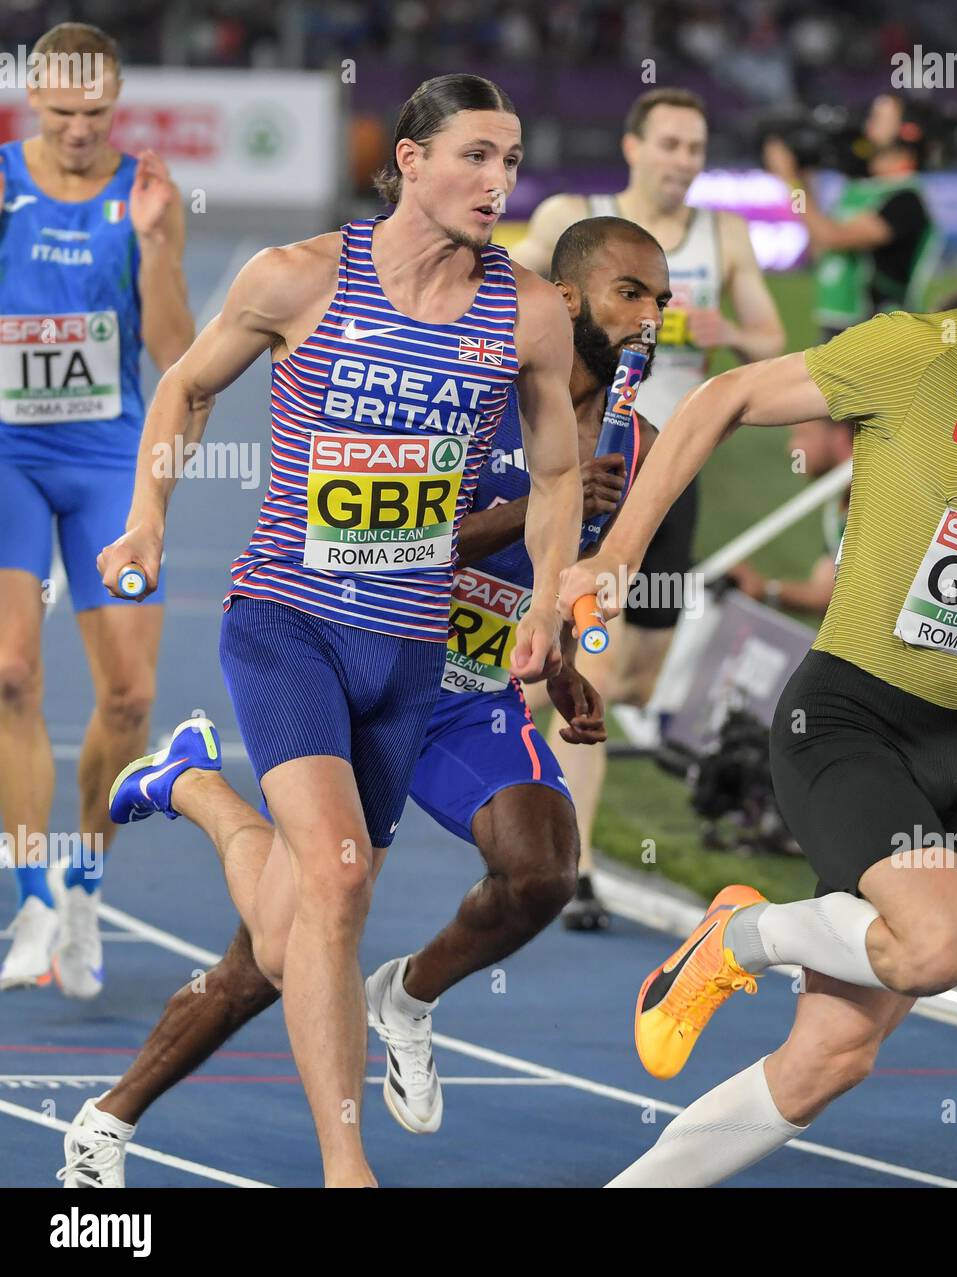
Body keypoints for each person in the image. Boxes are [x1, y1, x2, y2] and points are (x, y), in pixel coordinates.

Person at [559, 162, 957, 1188]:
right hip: (848, 716)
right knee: (947, 941)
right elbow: (724, 395)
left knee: (832, 1056)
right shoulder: (917, 354)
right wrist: (618, 553)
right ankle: (741, 935)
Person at [58, 216, 670, 1188]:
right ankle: (117, 1105)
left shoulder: (636, 443)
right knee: (282, 944)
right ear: (564, 302)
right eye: (631, 293)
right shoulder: (478, 390)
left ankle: (408, 994)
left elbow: (576, 588)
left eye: (662, 300)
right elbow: (396, 543)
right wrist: (529, 508)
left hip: (467, 694)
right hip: (360, 642)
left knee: (542, 868)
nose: (651, 317)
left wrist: (563, 656)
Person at [513, 87, 786, 930]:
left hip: (672, 465)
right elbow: (501, 288)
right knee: (590, 661)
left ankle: (480, 708)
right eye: (668, 143)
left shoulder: (721, 236)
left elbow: (772, 343)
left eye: (696, 147)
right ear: (632, 148)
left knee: (637, 674)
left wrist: (720, 330)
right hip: (586, 454)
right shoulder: (575, 215)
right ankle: (580, 868)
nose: (682, 160)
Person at [0, 23, 191, 998]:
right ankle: (29, 892)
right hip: (8, 455)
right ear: (32, 99)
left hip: (108, 456)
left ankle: (82, 877)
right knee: (9, 671)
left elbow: (175, 351)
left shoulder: (143, 193)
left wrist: (156, 243)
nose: (80, 132)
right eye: (62, 114)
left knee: (128, 698)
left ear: (118, 105)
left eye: (98, 115)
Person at [763, 94, 939, 339]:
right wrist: (801, 183)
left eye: (879, 118)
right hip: (838, 325)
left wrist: (791, 181)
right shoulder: (858, 190)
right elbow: (818, 240)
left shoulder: (906, 200)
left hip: (879, 333)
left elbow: (831, 236)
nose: (868, 125)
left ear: (907, 130)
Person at [725, 417, 852, 616]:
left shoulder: (874, 499)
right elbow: (824, 590)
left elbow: (839, 598)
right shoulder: (837, 503)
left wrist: (766, 589)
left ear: (840, 435)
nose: (792, 448)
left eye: (802, 435)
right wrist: (765, 589)